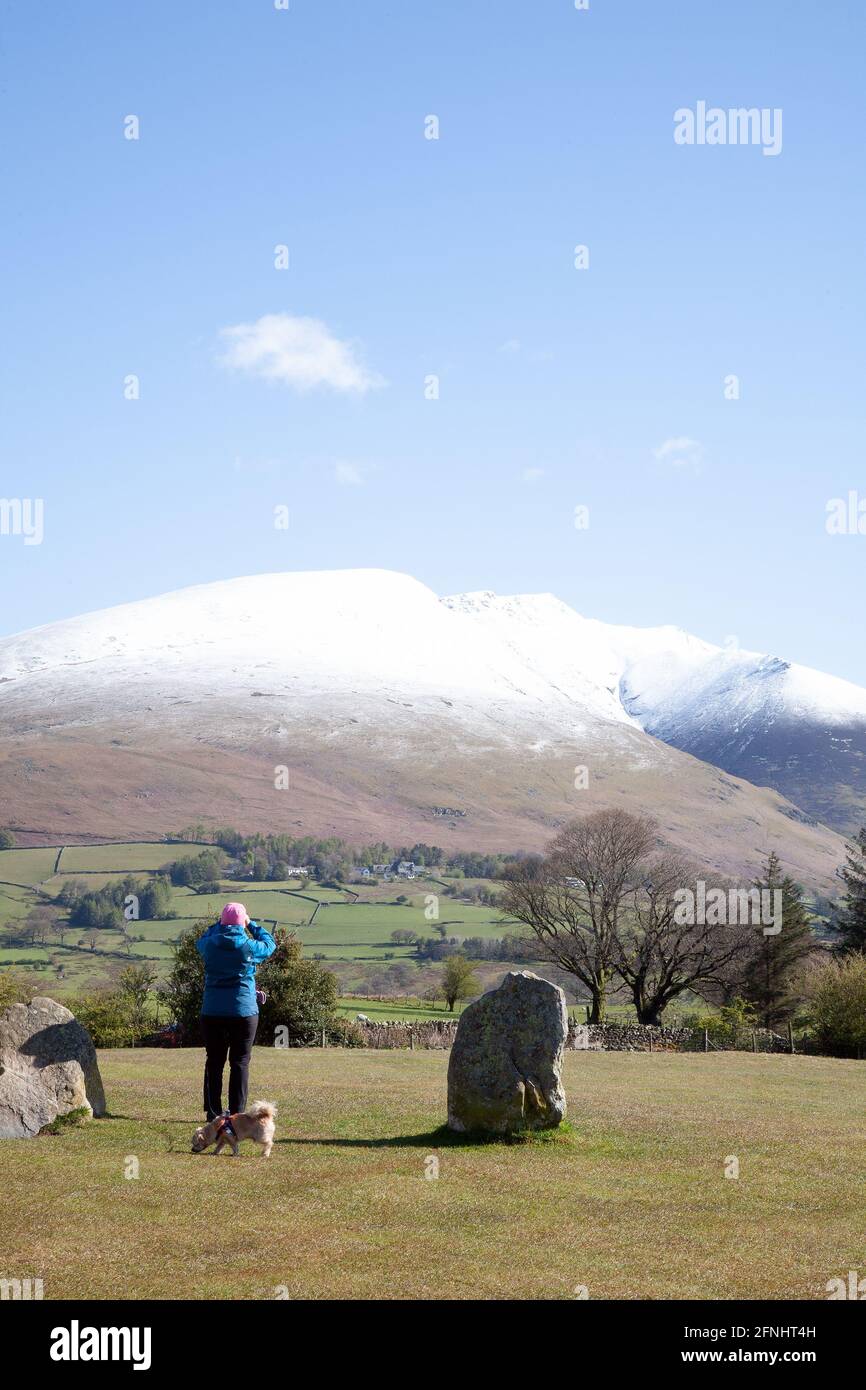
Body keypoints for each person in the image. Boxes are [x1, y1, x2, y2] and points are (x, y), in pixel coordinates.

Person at [195, 902, 276, 1120]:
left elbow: (201, 940)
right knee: (240, 1062)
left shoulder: (210, 945)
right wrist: (252, 924)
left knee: (214, 1061)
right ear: (242, 923)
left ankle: (213, 1113)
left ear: (222, 922)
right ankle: (237, 1113)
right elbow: (270, 944)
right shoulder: (249, 947)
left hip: (212, 1011)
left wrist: (219, 925)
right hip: (243, 1011)